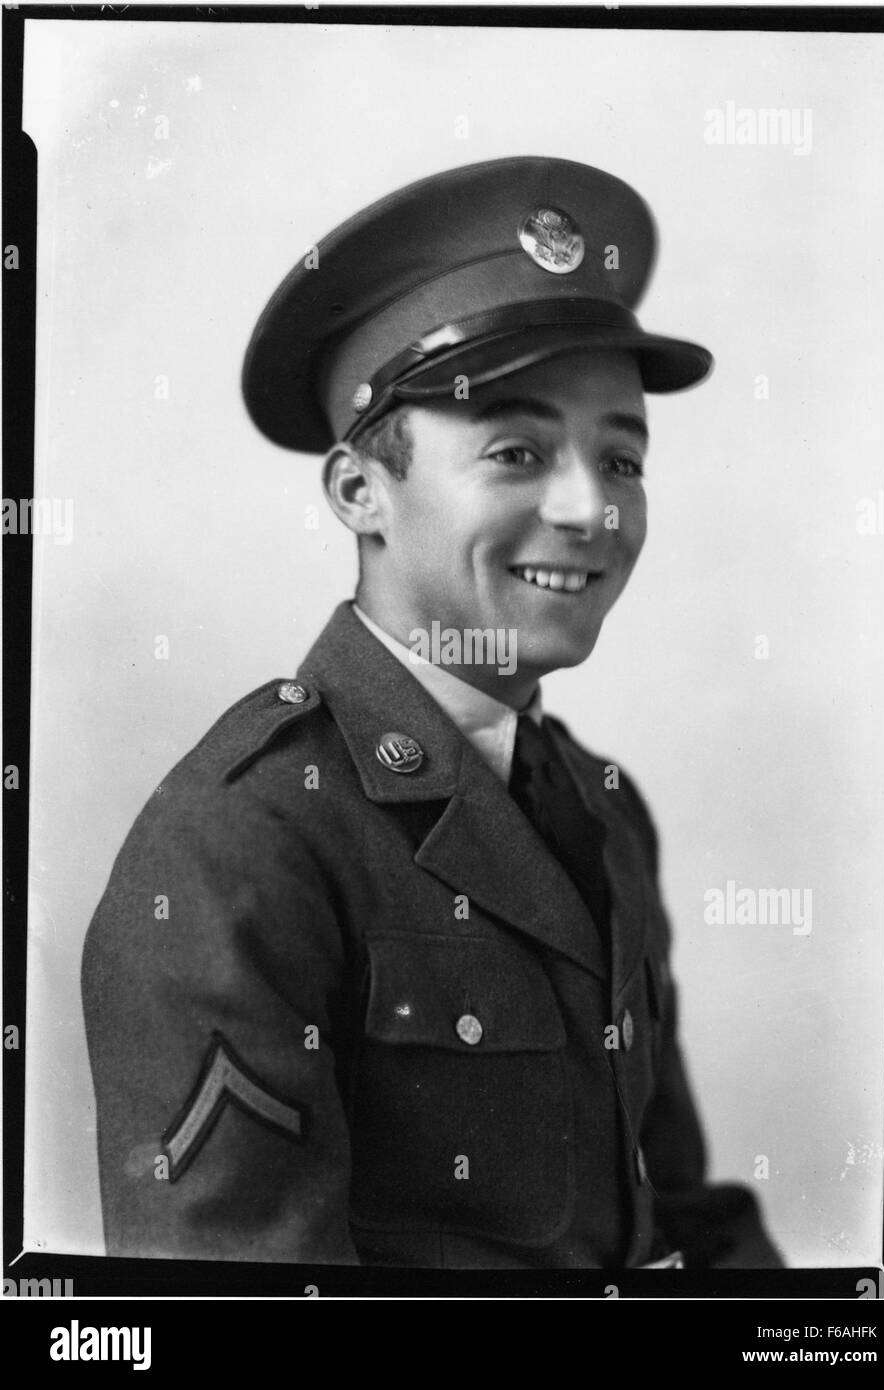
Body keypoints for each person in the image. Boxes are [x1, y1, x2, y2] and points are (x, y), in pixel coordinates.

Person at [82, 156, 782, 1269]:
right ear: (360, 490)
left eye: (622, 456)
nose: (591, 508)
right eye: (516, 451)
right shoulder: (241, 843)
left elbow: (675, 1222)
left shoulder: (601, 812)